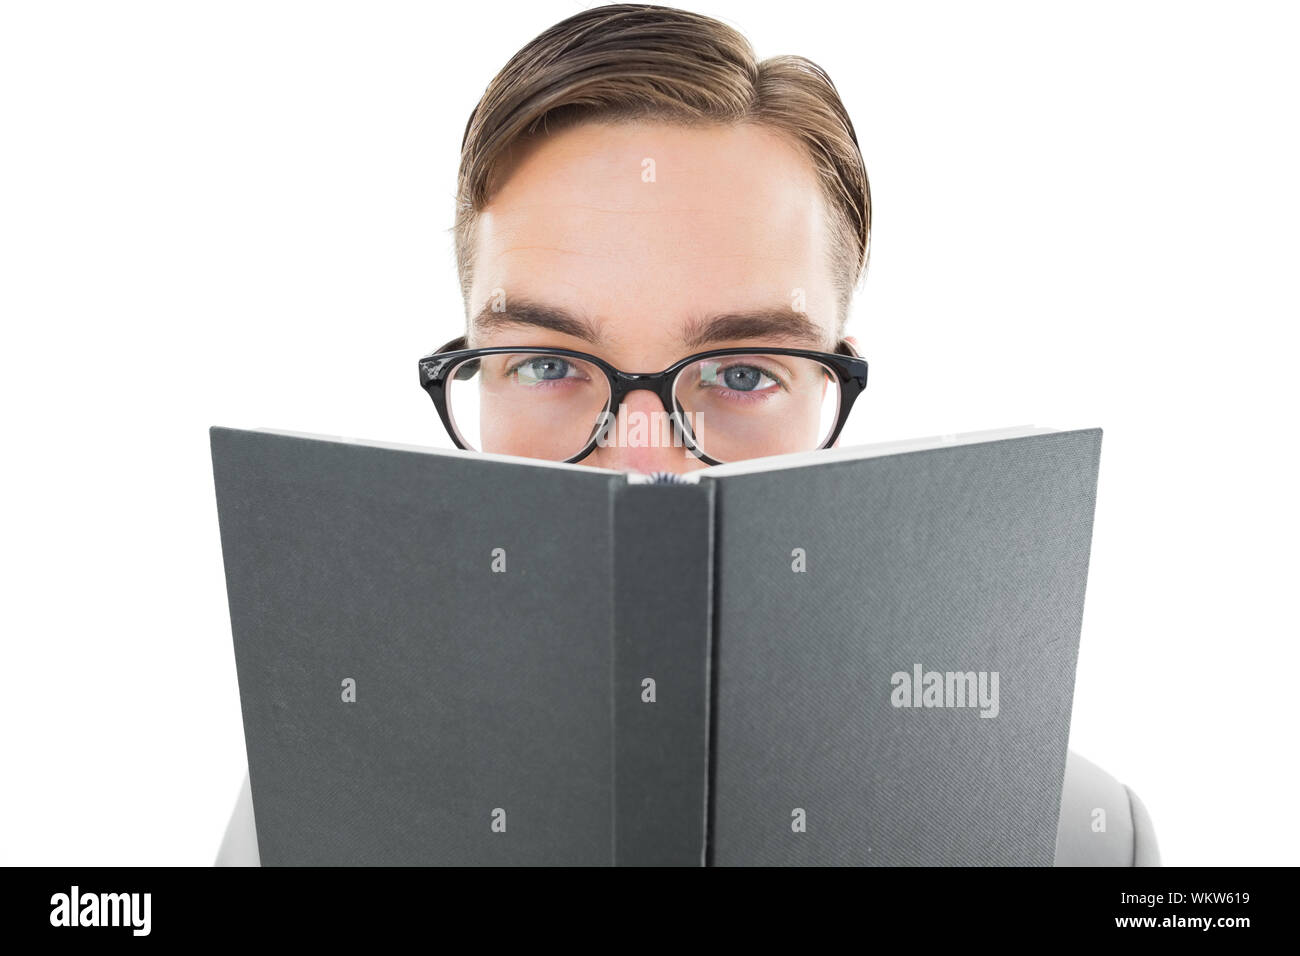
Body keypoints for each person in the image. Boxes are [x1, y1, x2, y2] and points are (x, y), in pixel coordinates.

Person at [216, 3, 1158, 865]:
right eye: (547, 365)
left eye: (742, 374)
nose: (644, 464)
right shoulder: (301, 822)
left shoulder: (1077, 837)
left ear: (836, 384)